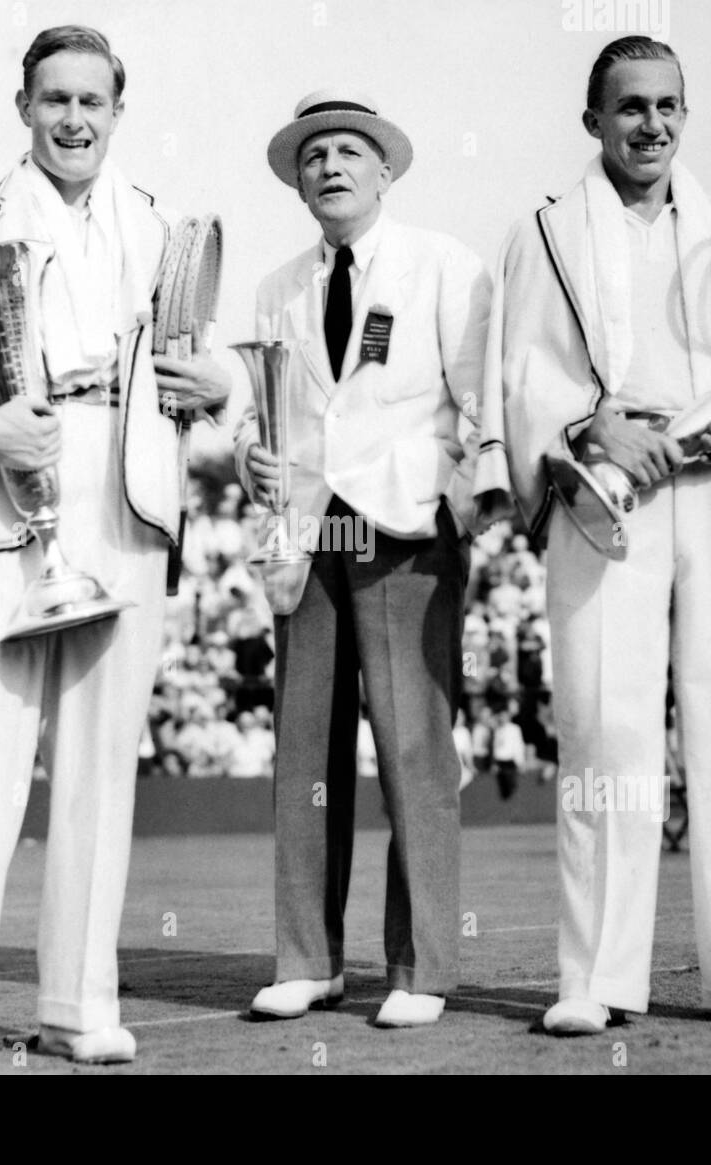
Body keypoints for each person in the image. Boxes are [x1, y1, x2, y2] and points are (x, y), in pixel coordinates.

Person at [0, 25, 229, 1074]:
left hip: (123, 504)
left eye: (93, 102)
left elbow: (202, 363)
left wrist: (220, 387)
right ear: (22, 105)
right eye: (55, 99)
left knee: (97, 773)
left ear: (119, 110)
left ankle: (78, 1008)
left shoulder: (158, 223)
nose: (74, 119)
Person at [476, 36, 711, 1035]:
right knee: (602, 728)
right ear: (593, 121)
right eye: (629, 107)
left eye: (668, 106)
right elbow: (520, 374)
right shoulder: (546, 230)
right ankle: (594, 977)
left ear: (687, 114)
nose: (651, 125)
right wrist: (594, 423)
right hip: (605, 488)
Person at [235, 89, 490, 1028]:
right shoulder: (276, 289)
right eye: (313, 156)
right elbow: (262, 420)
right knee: (304, 750)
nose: (331, 167)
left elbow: (479, 406)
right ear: (298, 179)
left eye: (348, 151)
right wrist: (247, 454)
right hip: (308, 532)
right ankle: (308, 957)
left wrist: (457, 501)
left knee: (414, 749)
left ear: (385, 168)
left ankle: (421, 968)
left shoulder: (444, 266)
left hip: (405, 526)